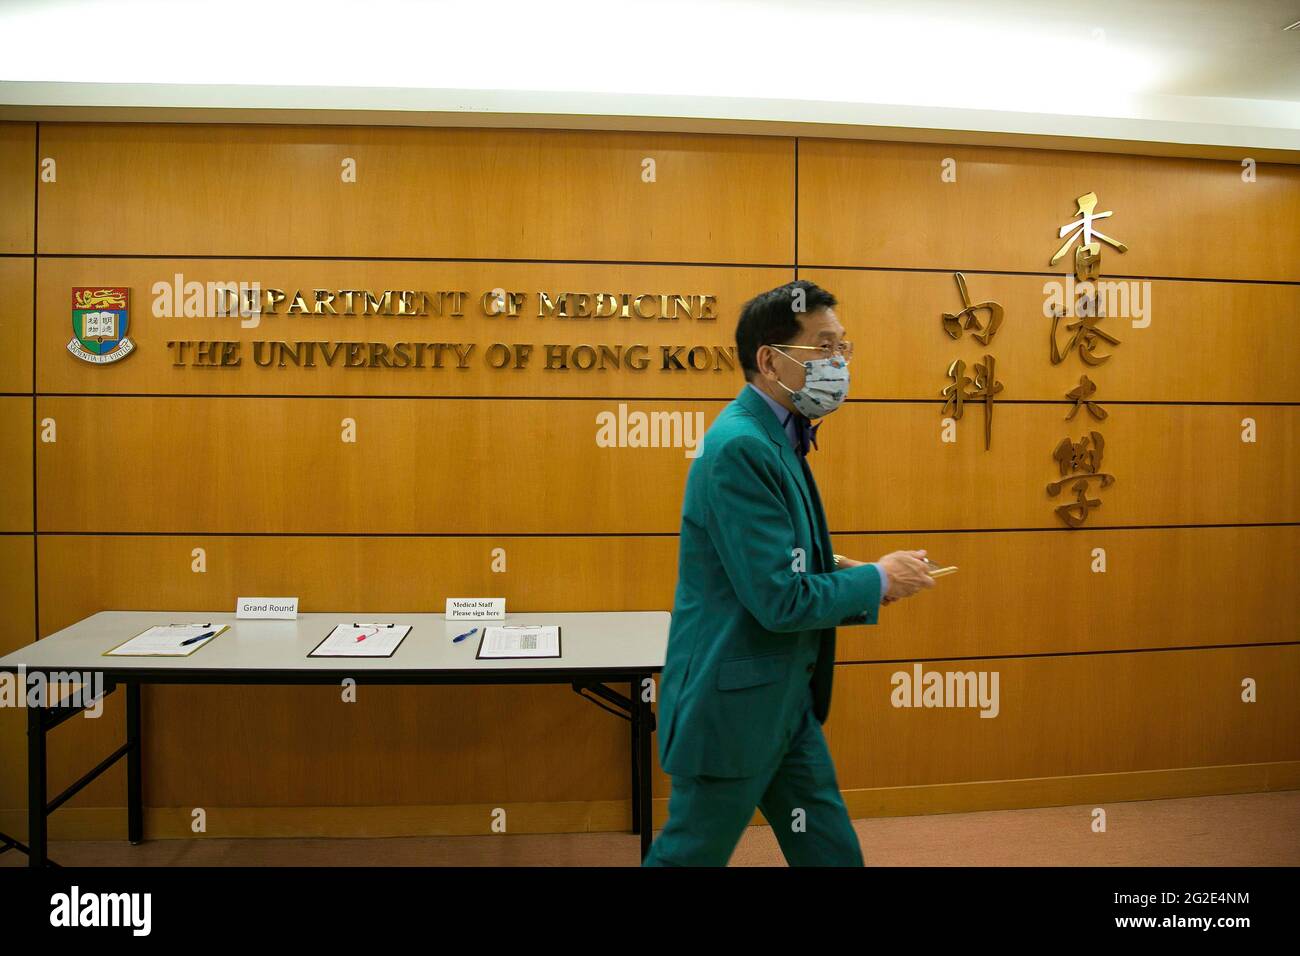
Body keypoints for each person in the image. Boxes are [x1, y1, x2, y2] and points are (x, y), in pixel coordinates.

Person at [643, 279, 935, 867]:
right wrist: (876, 579)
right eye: (824, 347)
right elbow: (778, 597)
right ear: (770, 360)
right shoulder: (740, 447)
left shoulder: (778, 436)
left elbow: (775, 557)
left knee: (831, 854)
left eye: (843, 348)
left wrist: (839, 568)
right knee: (688, 857)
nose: (839, 363)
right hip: (733, 708)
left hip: (782, 702)